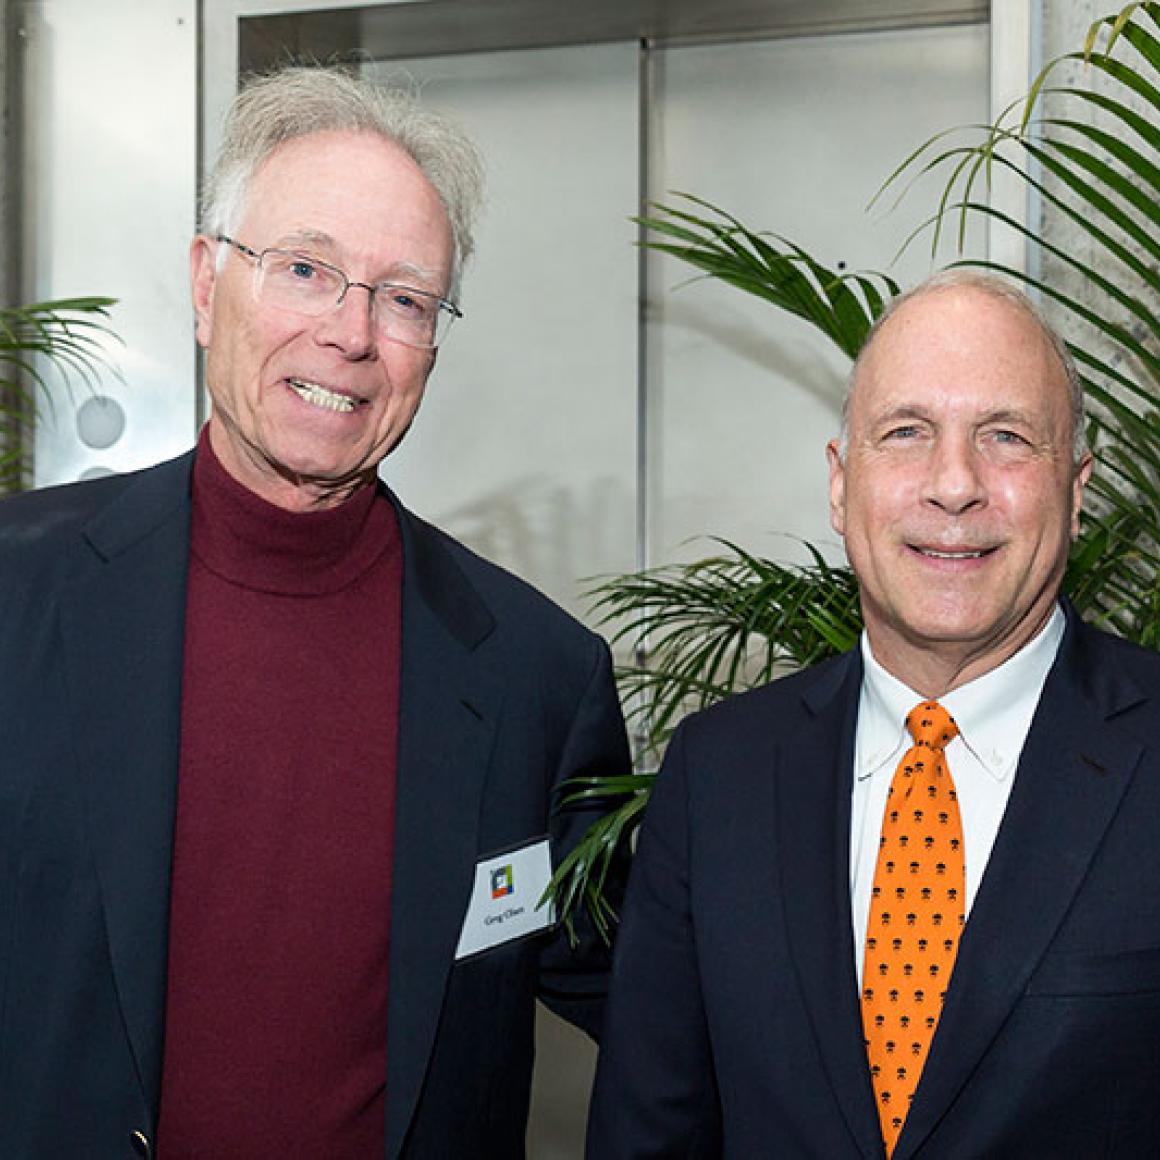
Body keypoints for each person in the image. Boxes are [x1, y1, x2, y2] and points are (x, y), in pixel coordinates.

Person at [0, 66, 629, 1159]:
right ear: (206, 285)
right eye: (305, 269)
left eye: (404, 298)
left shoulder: (538, 674)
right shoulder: (17, 594)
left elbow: (654, 999)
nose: (350, 334)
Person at [587, 270, 1160, 1159]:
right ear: (840, 481)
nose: (954, 484)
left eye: (1006, 437)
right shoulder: (717, 777)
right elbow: (650, 1134)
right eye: (907, 433)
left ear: (1077, 488)